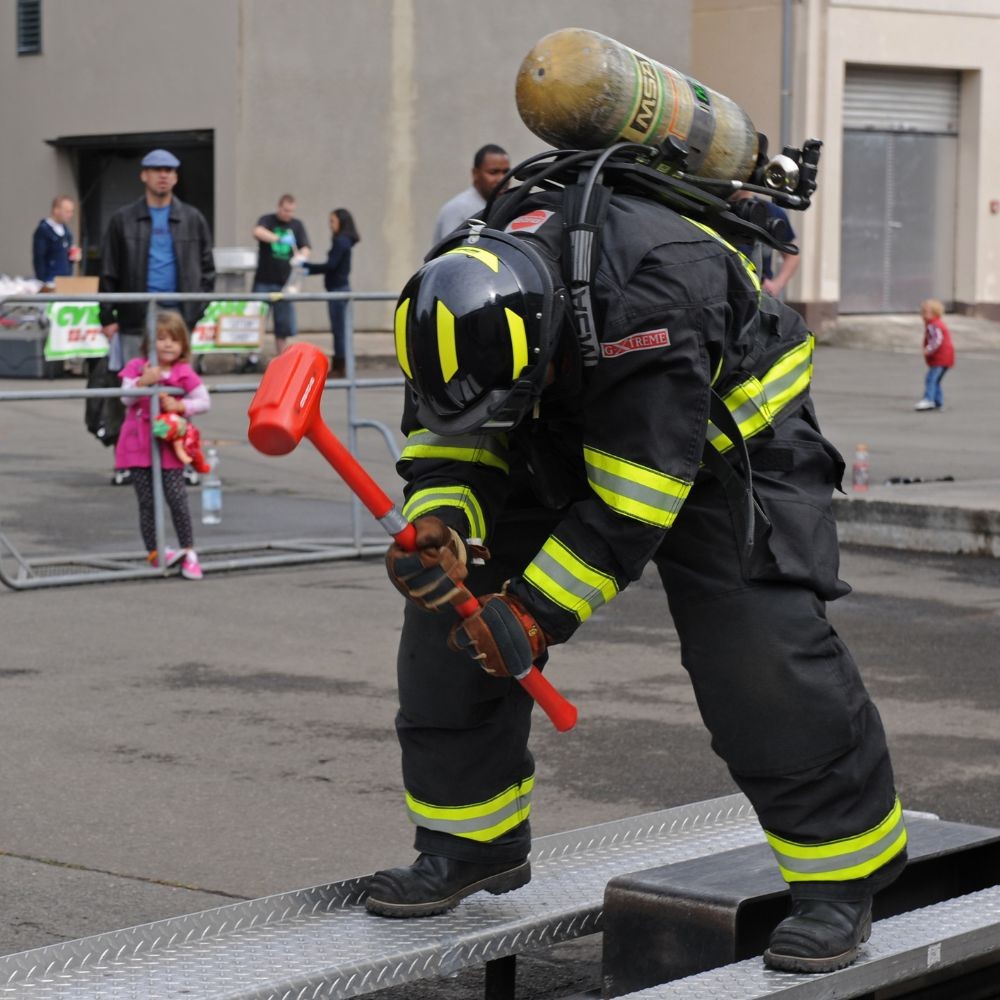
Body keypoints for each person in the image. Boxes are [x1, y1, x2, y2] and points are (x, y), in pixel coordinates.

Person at [369, 154, 908, 977]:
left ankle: (840, 881)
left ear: (549, 339)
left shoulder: (653, 290)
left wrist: (534, 614)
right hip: (564, 420)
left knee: (756, 653)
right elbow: (452, 434)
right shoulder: (454, 304)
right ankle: (470, 845)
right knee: (452, 613)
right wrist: (445, 522)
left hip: (730, 447)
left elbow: (635, 497)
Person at [98, 148, 215, 485]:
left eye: (169, 170)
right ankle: (128, 463)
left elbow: (208, 270)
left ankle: (181, 460)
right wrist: (107, 316)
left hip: (178, 318)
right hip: (135, 316)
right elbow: (108, 269)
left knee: (180, 390)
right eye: (156, 170)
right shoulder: (123, 219)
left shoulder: (192, 218)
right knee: (132, 392)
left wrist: (194, 313)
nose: (163, 175)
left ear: (175, 177)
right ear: (144, 175)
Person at [115, 311, 210, 581]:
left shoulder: (183, 371)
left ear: (183, 345)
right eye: (161, 338)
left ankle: (188, 551)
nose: (168, 344)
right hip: (138, 443)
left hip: (169, 445)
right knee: (147, 502)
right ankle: (155, 552)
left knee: (177, 498)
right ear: (149, 342)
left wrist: (181, 405)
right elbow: (125, 398)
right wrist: (143, 383)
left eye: (174, 339)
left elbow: (204, 401)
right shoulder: (137, 366)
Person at [248, 194, 311, 367]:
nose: (288, 214)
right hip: (264, 280)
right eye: (285, 210)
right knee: (258, 320)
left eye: (291, 211)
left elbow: (306, 247)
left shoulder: (297, 225)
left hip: (285, 284)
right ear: (279, 207)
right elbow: (257, 232)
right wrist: (278, 239)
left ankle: (282, 359)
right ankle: (252, 358)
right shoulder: (268, 220)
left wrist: (301, 257)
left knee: (282, 324)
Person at [303, 208, 360, 378]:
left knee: (339, 330)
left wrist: (307, 267)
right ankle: (342, 364)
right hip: (340, 288)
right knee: (341, 329)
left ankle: (340, 366)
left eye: (332, 221)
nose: (330, 225)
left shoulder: (341, 241)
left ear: (341, 222)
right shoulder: (345, 241)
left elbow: (331, 265)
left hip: (338, 290)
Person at [431, 144, 511, 245]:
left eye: (506, 172)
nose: (502, 179)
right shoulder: (458, 209)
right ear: (475, 173)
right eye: (493, 172)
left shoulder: (504, 206)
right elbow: (451, 251)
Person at [730, 188, 800, 297]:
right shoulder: (715, 209)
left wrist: (777, 285)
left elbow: (792, 255)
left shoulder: (771, 211)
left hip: (759, 295)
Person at [914, 299, 955, 411]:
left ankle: (928, 399)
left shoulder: (933, 325)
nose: (922, 314)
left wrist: (929, 349)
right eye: (922, 311)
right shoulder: (935, 324)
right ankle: (938, 401)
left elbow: (937, 340)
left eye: (925, 312)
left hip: (940, 358)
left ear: (934, 313)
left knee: (931, 379)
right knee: (936, 380)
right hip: (945, 358)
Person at [32, 195, 80, 287]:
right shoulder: (44, 230)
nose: (70, 215)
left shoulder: (67, 231)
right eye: (67, 211)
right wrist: (42, 281)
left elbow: (67, 257)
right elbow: (39, 258)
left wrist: (74, 256)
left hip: (65, 281)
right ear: (56, 210)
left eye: (72, 211)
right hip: (50, 281)